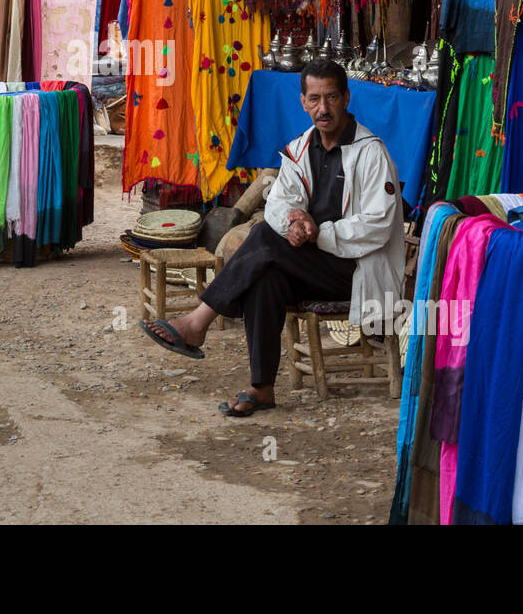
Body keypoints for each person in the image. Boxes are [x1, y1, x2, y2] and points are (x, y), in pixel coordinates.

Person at [138, 59, 405, 416]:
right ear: (302, 101)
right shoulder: (299, 149)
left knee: (263, 236)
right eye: (313, 99)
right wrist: (294, 223)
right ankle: (261, 388)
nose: (322, 109)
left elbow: (379, 225)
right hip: (311, 265)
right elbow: (279, 203)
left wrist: (317, 234)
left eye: (330, 98)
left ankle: (197, 322)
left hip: (356, 271)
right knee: (267, 272)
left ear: (346, 98)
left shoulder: (371, 153)